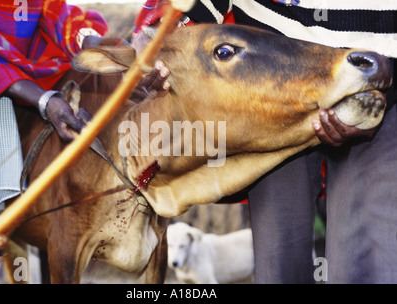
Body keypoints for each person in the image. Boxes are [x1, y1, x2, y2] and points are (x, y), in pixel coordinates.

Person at [133, 0, 396, 283]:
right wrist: (164, 36)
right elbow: (180, 20)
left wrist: (381, 95)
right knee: (278, 265)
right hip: (270, 87)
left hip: (378, 77)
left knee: (368, 267)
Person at [0, 0, 168, 278]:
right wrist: (44, 101)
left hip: (34, 76)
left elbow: (55, 13)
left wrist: (104, 47)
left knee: (37, 217)